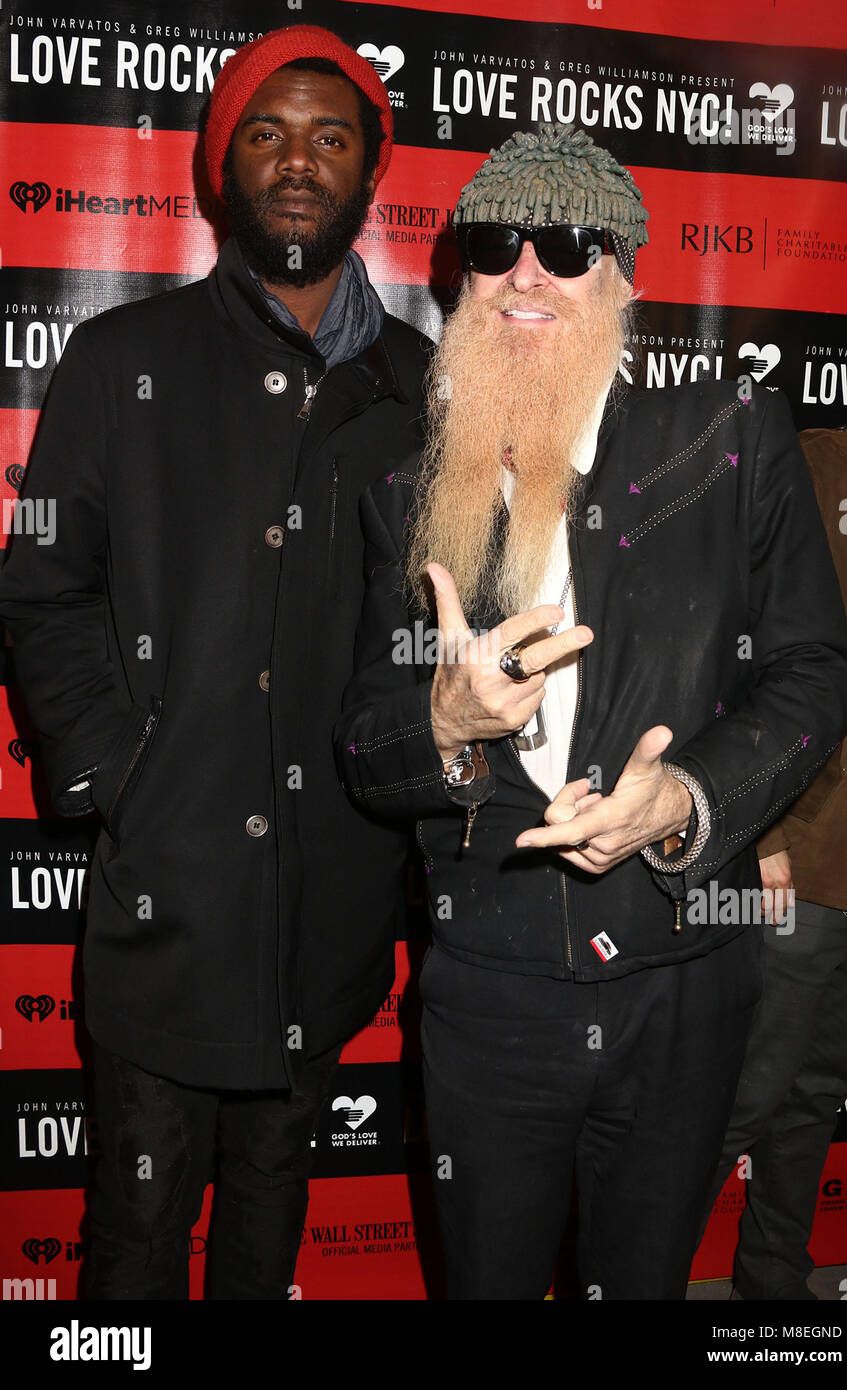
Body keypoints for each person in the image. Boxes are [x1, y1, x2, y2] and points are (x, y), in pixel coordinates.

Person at [334, 123, 847, 1300]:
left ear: (622, 273)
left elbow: (817, 673)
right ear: (461, 274)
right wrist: (442, 721)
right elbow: (361, 748)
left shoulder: (727, 442)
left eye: (566, 245)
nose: (526, 271)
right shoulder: (399, 490)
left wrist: (685, 798)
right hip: (489, 990)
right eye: (494, 243)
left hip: (685, 977)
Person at [0, 24, 429, 1300]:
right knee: (128, 1250)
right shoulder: (122, 361)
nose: (299, 161)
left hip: (330, 912)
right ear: (219, 165)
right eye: (268, 131)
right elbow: (43, 583)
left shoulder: (420, 388)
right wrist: (115, 771)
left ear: (367, 174)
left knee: (266, 1233)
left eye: (330, 137)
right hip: (165, 909)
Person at [701, 401, 847, 1301]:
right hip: (805, 855)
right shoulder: (820, 467)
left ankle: (772, 1288)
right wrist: (763, 826)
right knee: (736, 1102)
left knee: (815, 1097)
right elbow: (734, 641)